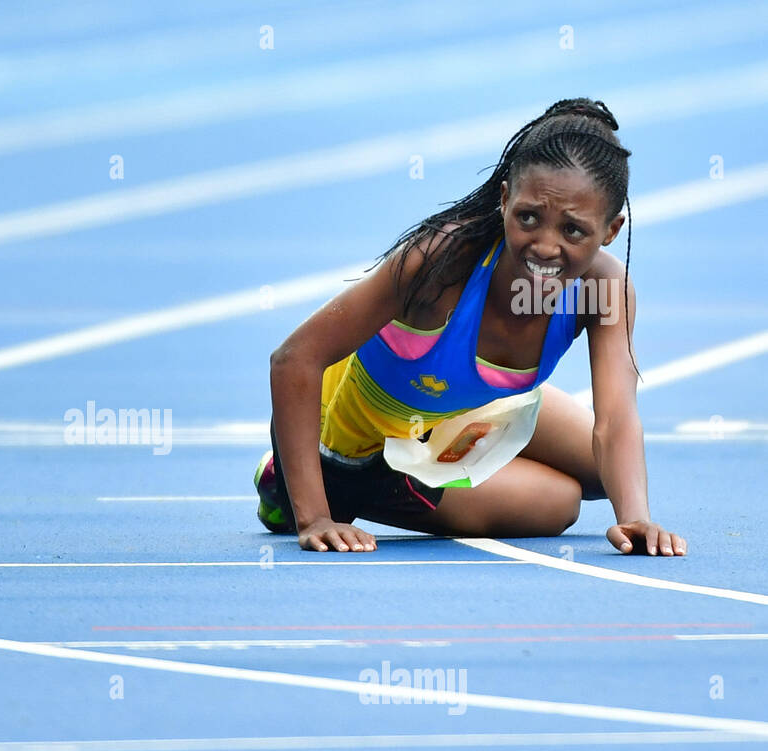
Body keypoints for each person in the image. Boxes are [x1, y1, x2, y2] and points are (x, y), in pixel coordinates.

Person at [258, 98, 686, 557]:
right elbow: (293, 359)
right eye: (528, 218)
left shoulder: (602, 287)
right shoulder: (439, 265)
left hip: (453, 410)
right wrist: (315, 515)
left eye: (573, 231)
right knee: (557, 504)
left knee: (609, 474)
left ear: (611, 230)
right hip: (353, 448)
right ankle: (290, 481)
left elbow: (617, 416)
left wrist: (635, 517)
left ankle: (468, 460)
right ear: (504, 200)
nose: (545, 246)